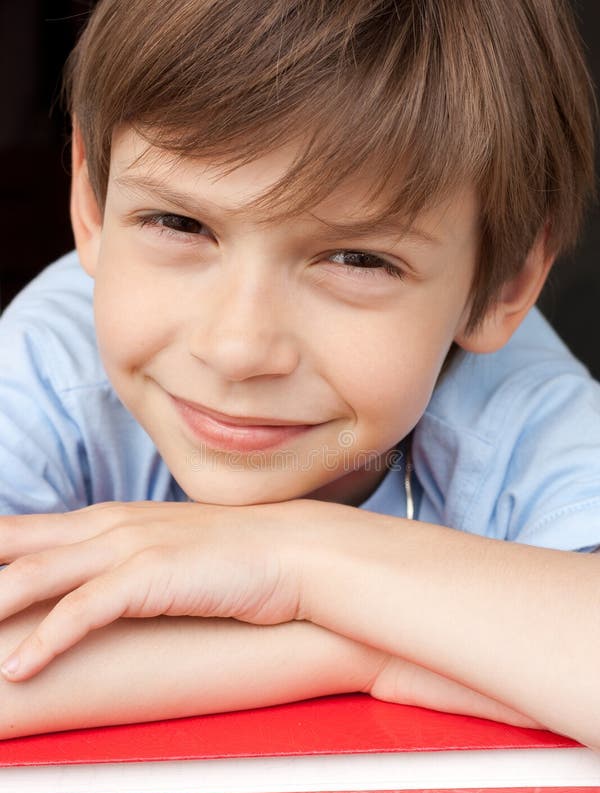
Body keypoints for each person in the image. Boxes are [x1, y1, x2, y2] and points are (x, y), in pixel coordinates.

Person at [0, 0, 599, 746]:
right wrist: (373, 643)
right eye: (180, 224)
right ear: (91, 201)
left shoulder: (520, 416)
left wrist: (299, 561)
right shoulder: (54, 365)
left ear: (506, 282)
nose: (239, 348)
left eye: (356, 260)